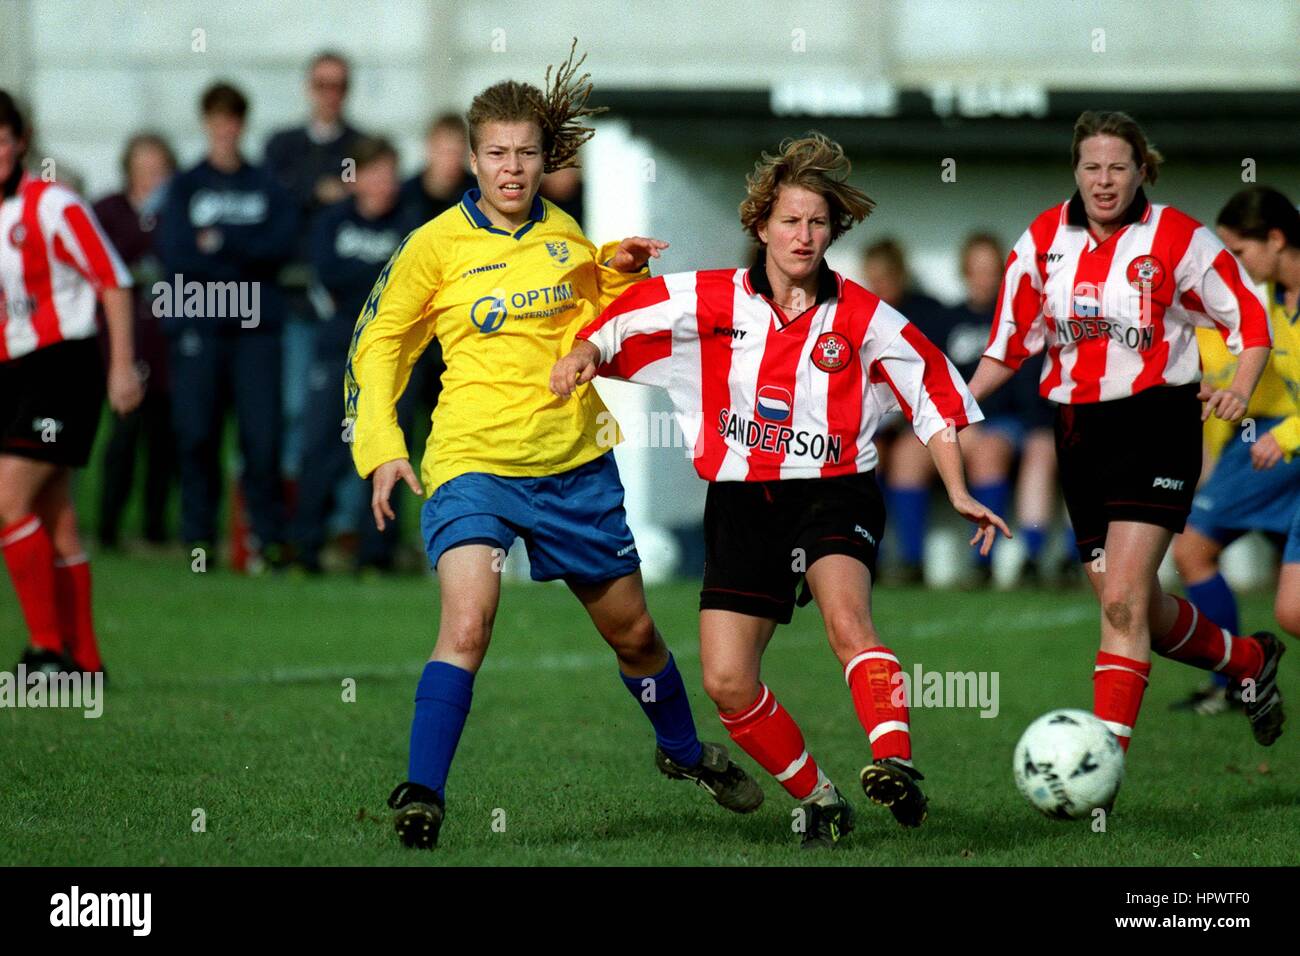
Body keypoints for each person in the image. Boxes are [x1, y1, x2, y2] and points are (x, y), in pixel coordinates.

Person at [347, 43, 761, 850]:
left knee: (635, 636)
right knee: (468, 625)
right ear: (472, 159)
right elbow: (380, 344)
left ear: (545, 158)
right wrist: (382, 446)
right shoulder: (435, 245)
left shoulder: (566, 234)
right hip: (472, 464)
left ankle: (680, 752)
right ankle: (422, 793)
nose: (512, 168)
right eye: (496, 154)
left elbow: (597, 321)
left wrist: (618, 272)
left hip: (573, 466)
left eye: (526, 153)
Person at [552, 133, 1010, 847]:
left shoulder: (865, 316)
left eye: (818, 223)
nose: (803, 235)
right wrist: (584, 349)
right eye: (790, 220)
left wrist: (957, 487)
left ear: (835, 232)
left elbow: (934, 399)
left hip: (835, 492)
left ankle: (893, 756)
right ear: (761, 225)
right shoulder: (709, 299)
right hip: (742, 503)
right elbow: (621, 320)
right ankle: (821, 798)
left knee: (847, 621)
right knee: (727, 679)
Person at [968, 111, 1284, 760]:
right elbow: (1006, 347)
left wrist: (1239, 388)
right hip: (1079, 435)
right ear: (1075, 171)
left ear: (1141, 169)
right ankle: (1249, 660)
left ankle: (1099, 766)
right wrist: (949, 405)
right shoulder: (1040, 242)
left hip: (1157, 425)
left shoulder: (1178, 237)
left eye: (1118, 167)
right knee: (1138, 608)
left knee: (1120, 602)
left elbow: (1251, 321)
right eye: (1092, 167)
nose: (1104, 181)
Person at [0, 90, 144, 675]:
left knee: (8, 501)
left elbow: (113, 278)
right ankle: (85, 660)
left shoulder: (52, 204)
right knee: (53, 512)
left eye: (3, 138)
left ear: (21, 142)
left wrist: (121, 366)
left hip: (61, 368)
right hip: (14, 373)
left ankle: (44, 650)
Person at [157, 82, 297, 569]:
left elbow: (281, 243)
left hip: (257, 329)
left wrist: (219, 242)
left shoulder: (265, 183)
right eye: (216, 119)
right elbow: (175, 254)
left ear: (241, 124)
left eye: (233, 119)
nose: (225, 129)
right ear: (206, 123)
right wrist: (239, 252)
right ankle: (199, 542)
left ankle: (269, 542)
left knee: (261, 440)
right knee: (198, 435)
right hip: (201, 324)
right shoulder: (186, 185)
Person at [1171, 186, 1300, 713]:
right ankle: (1240, 679)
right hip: (1264, 444)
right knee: (1291, 612)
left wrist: (1286, 435)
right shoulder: (1265, 304)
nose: (1234, 267)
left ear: (1275, 238)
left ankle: (1235, 680)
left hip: (1279, 444)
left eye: (1240, 253)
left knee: (1192, 550)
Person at [293, 137, 416, 573]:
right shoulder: (332, 222)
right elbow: (330, 275)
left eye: (390, 174)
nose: (384, 184)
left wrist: (368, 284)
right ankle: (306, 546)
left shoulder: (410, 224)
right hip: (338, 352)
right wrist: (380, 282)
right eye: (375, 173)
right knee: (323, 446)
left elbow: (413, 285)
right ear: (356, 178)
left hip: (393, 357)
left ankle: (377, 552)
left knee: (387, 447)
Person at [265, 52, 367, 497]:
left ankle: (340, 519)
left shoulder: (361, 145)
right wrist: (319, 190)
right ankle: (293, 509)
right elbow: (272, 201)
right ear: (310, 87)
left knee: (351, 414)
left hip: (348, 302)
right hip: (296, 297)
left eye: (338, 85)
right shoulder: (283, 143)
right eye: (322, 85)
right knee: (294, 408)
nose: (330, 95)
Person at [93, 132, 178, 549]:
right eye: (144, 170)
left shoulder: (176, 211)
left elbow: (182, 258)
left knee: (164, 441)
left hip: (166, 342)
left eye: (159, 171)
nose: (151, 179)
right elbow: (106, 262)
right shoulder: (109, 210)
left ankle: (155, 527)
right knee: (123, 437)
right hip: (123, 342)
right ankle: (108, 526)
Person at [862, 238, 958, 583]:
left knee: (900, 455)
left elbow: (934, 380)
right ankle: (863, 558)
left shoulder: (928, 315)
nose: (879, 287)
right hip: (876, 422)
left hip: (917, 421)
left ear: (901, 275)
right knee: (859, 457)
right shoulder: (860, 314)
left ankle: (910, 561)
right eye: (873, 279)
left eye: (886, 278)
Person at [397, 113, 477, 226]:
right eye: (443, 152)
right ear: (429, 148)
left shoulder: (477, 195)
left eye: (456, 153)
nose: (449, 161)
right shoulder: (403, 195)